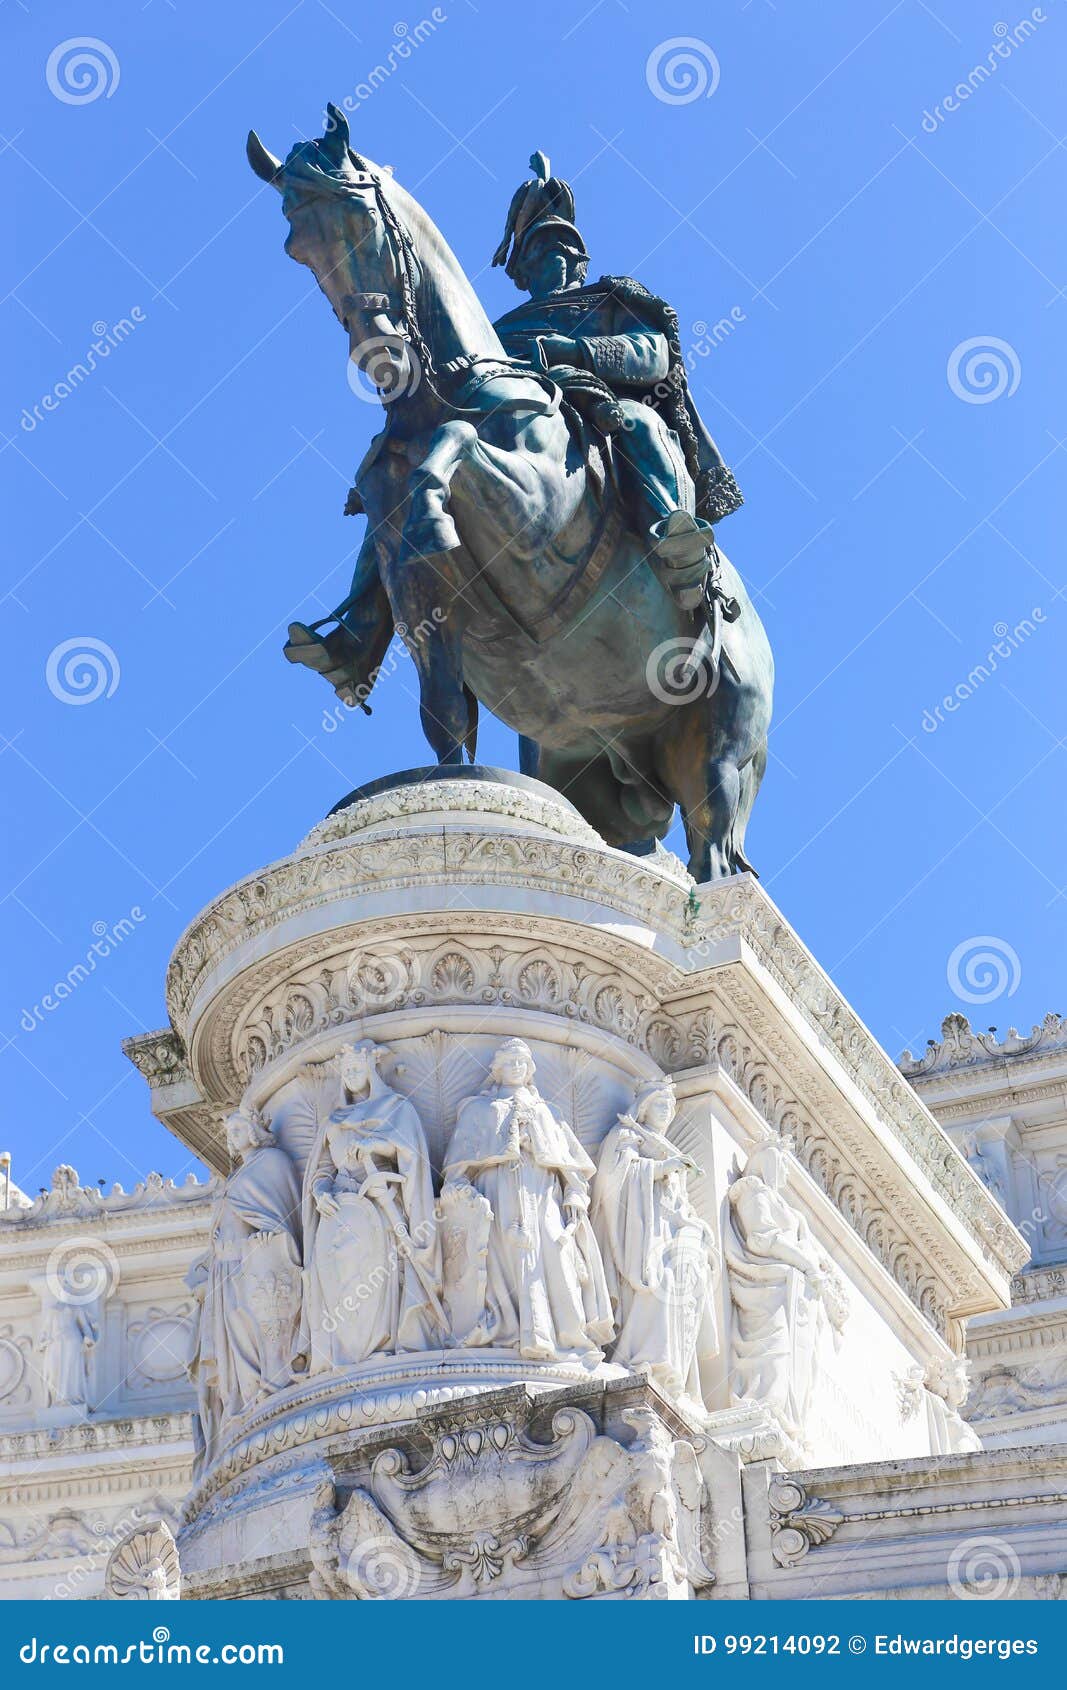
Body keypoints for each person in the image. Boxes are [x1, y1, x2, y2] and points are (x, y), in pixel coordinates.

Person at [492, 153, 743, 611]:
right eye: (540, 252)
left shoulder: (610, 299)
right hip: (517, 414)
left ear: (580, 261)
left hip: (605, 406)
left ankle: (677, 540)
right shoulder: (497, 330)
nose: (556, 259)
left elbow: (653, 354)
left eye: (563, 250)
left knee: (639, 422)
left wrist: (578, 351)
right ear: (524, 271)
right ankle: (364, 629)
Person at [443, 1038, 612, 1362]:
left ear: (530, 1069)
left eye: (522, 1062)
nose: (517, 1068)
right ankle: (512, 1330)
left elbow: (571, 1167)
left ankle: (567, 1334)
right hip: (498, 1189)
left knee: (553, 1250)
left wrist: (574, 1195)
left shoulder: (547, 1112)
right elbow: (460, 1163)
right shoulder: (480, 1109)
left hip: (542, 1191)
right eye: (510, 1062)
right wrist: (461, 1189)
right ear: (498, 1069)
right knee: (505, 1257)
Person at [301, 1041, 441, 1370]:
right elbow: (321, 1170)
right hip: (340, 1211)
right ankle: (347, 1353)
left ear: (371, 1072)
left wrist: (377, 1142)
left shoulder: (394, 1108)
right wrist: (321, 1192)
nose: (350, 1075)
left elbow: (410, 1151)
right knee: (343, 1283)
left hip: (380, 1206)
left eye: (356, 1069)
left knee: (382, 1280)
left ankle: (385, 1341)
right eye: (346, 1071)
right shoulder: (333, 1121)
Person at [593, 1078, 717, 1408]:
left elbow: (678, 1207)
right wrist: (661, 1169)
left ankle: (671, 1365)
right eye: (661, 1103)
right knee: (659, 1283)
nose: (667, 1110)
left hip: (667, 1231)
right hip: (642, 1234)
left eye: (671, 1106)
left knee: (686, 1274)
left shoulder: (664, 1146)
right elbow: (612, 1183)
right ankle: (644, 1356)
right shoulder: (626, 1135)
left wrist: (695, 1225)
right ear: (644, 1107)